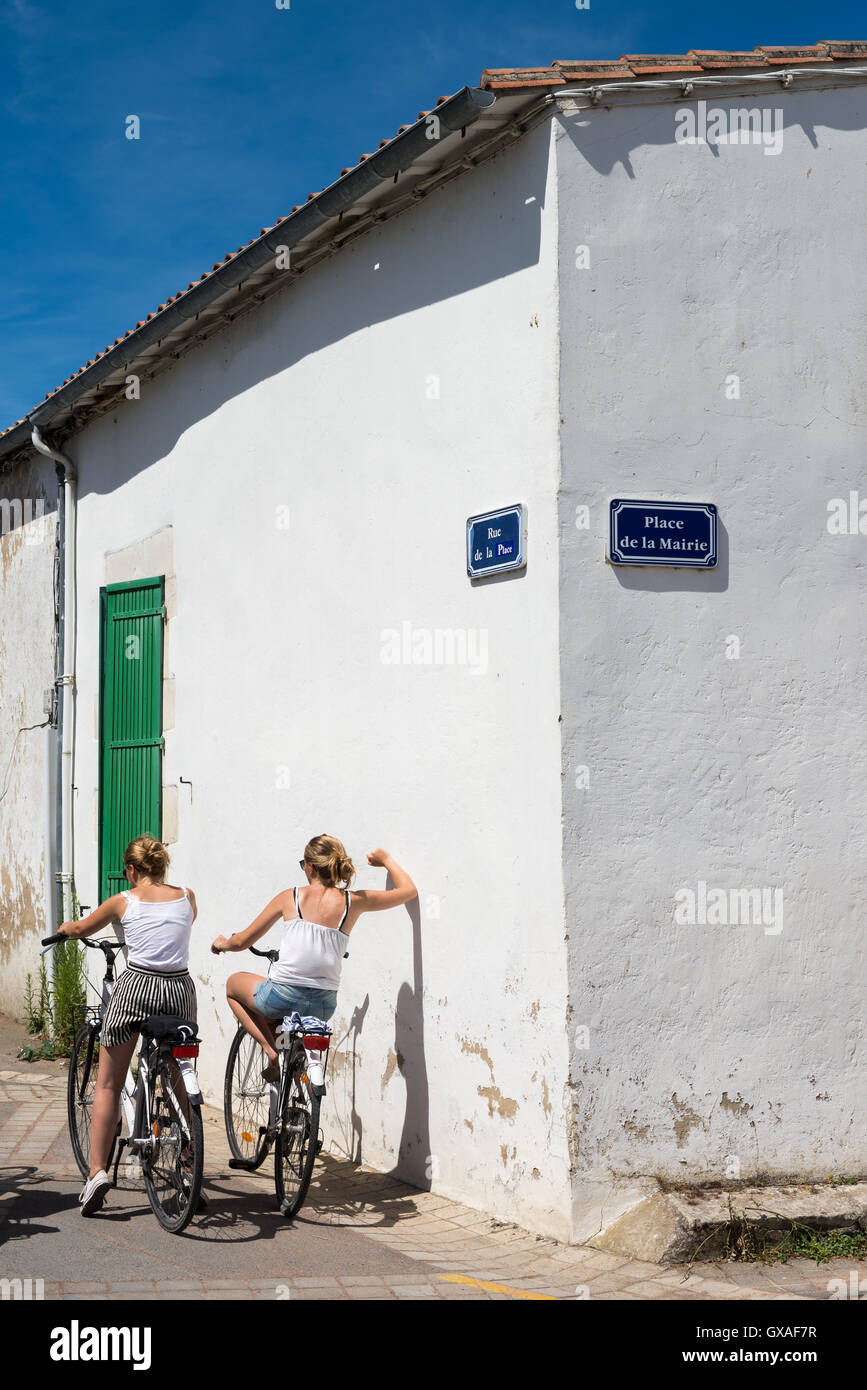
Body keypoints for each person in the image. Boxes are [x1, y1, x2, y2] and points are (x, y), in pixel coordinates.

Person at [58, 835, 199, 1216]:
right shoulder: (187, 896)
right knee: (180, 1083)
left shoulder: (123, 901)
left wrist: (67, 927)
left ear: (132, 870)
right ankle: (189, 1173)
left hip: (136, 987)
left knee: (107, 1083)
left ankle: (97, 1173)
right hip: (179, 991)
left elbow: (83, 928)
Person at [211, 836, 416, 1079]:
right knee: (299, 1039)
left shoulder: (291, 896)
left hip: (280, 996)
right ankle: (303, 1088)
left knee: (233, 984)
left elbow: (242, 941)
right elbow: (409, 891)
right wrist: (386, 860)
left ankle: (270, 1048)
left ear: (311, 867)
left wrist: (223, 944)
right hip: (324, 1004)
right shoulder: (354, 901)